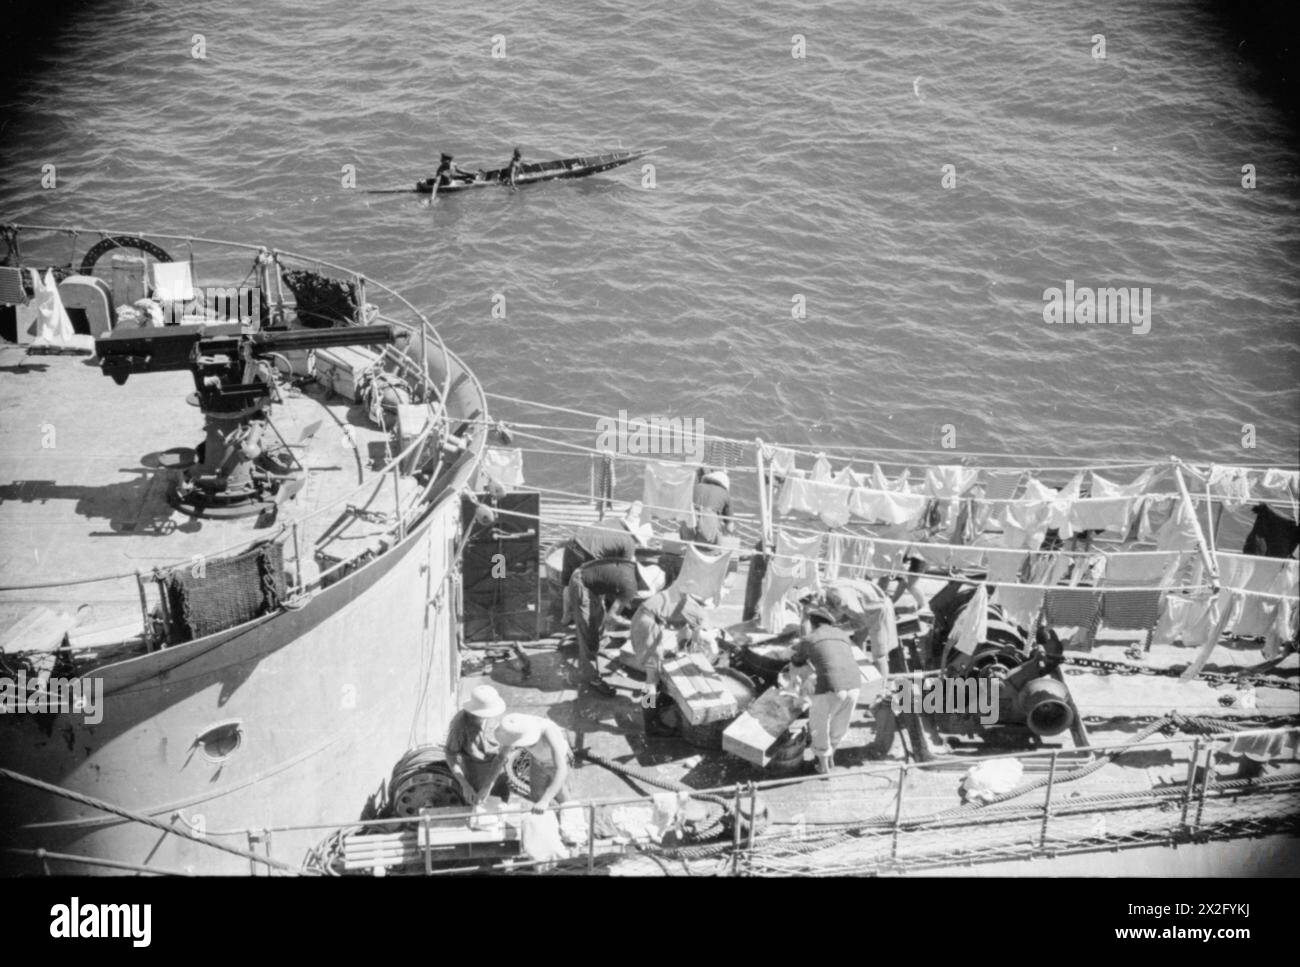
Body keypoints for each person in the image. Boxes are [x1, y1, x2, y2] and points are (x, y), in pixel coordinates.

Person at [566, 558, 656, 693]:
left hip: (588, 577)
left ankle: (598, 646)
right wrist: (634, 624)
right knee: (589, 633)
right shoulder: (630, 587)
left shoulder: (630, 567)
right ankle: (591, 677)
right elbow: (612, 617)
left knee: (600, 617)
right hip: (582, 582)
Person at [792, 604, 862, 774]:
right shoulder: (843, 635)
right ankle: (831, 759)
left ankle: (823, 767)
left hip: (830, 687)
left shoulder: (810, 638)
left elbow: (797, 661)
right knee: (839, 724)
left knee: (819, 724)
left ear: (812, 623)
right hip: (855, 685)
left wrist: (798, 647)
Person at [628, 588, 706, 731]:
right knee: (651, 679)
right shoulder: (697, 613)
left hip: (640, 618)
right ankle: (650, 722)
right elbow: (694, 647)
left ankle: (650, 711)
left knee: (652, 674)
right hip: (647, 626)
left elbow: (680, 633)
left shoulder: (680, 595)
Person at [485, 713, 573, 813]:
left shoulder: (547, 730)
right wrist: (486, 787)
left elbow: (561, 769)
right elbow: (500, 758)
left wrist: (545, 800)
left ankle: (568, 818)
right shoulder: (515, 730)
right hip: (537, 760)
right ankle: (546, 817)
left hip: (558, 761)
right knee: (536, 794)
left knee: (562, 795)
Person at [444, 685, 509, 805]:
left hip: (498, 769)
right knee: (478, 806)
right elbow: (451, 754)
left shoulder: (499, 718)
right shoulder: (460, 725)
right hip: (476, 773)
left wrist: (490, 784)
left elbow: (502, 755)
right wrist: (465, 785)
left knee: (500, 805)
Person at [682, 469, 734, 546]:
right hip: (707, 539)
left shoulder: (695, 487)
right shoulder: (725, 494)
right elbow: (730, 528)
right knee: (720, 536)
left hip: (686, 535)